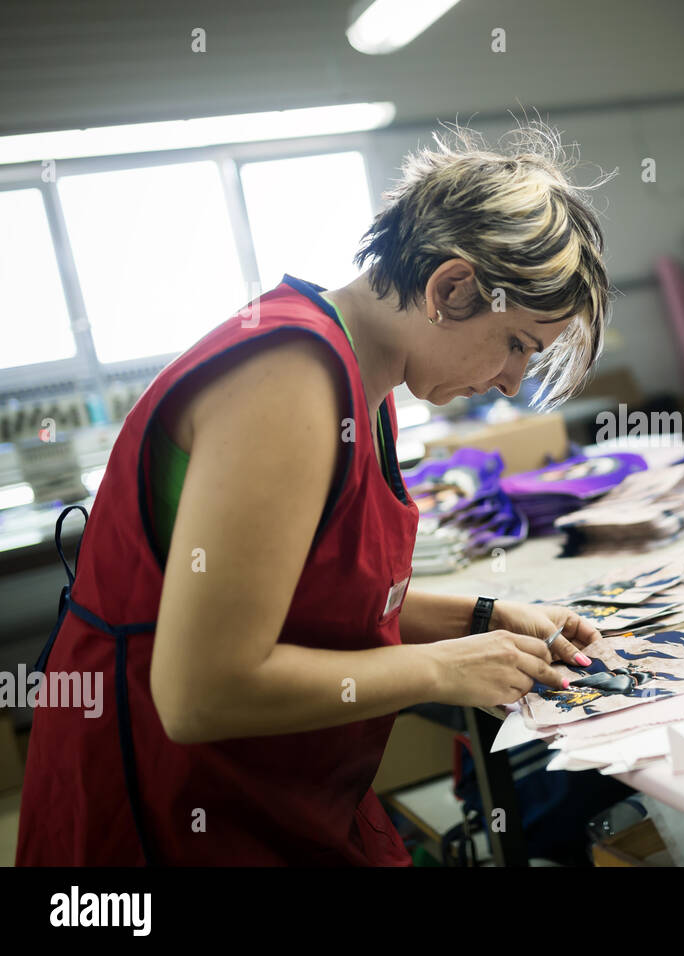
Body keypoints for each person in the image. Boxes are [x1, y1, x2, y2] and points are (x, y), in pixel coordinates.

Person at [17, 123, 612, 866]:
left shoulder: (370, 383)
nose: (511, 382)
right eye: (518, 343)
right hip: (174, 810)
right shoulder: (290, 382)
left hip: (283, 785)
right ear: (452, 287)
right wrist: (444, 669)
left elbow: (320, 599)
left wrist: (483, 617)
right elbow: (201, 692)